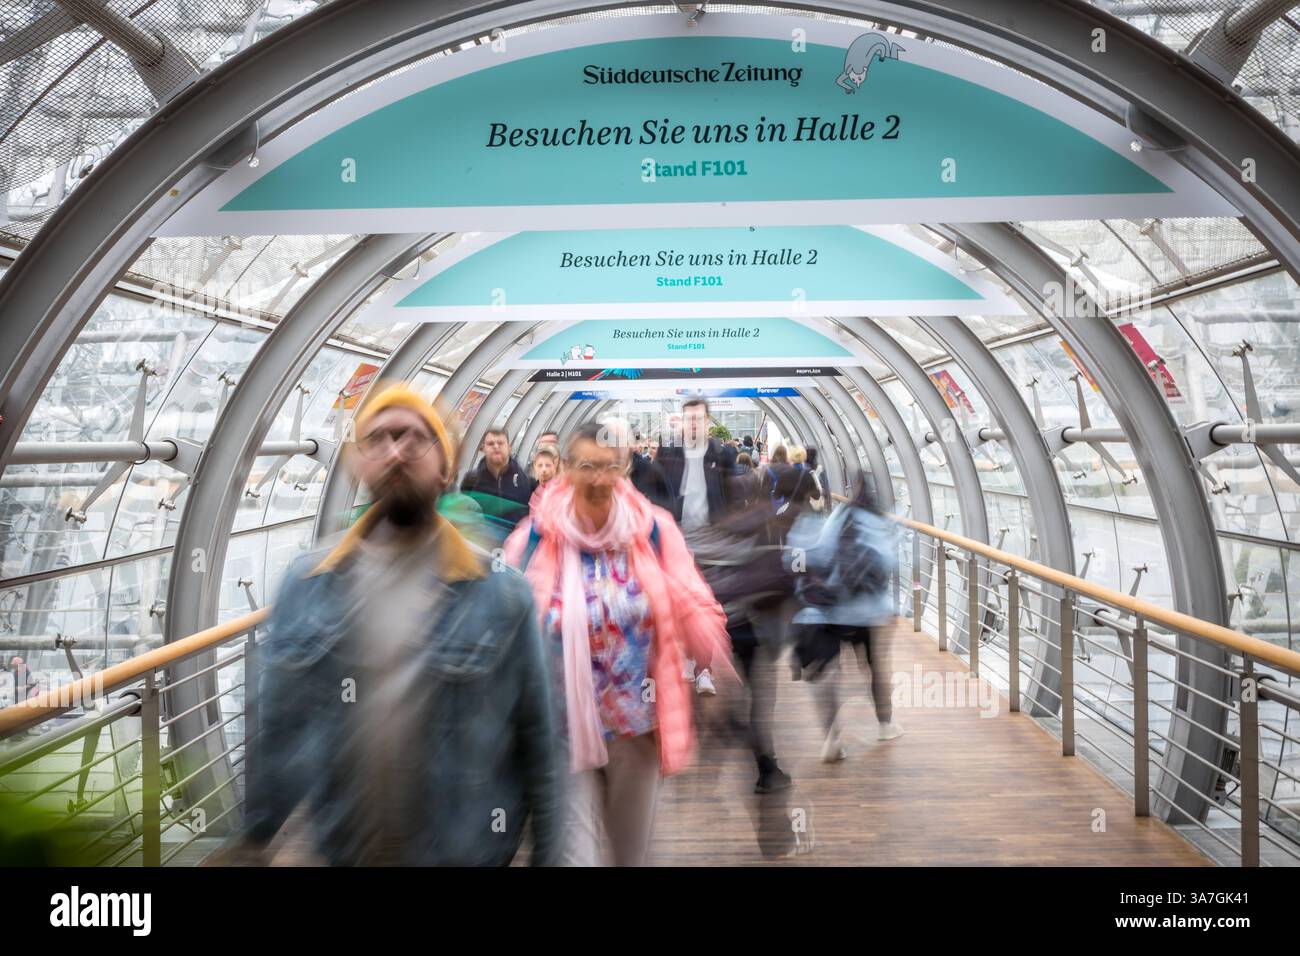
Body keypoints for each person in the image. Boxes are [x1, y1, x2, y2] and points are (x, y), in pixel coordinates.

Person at [224, 384, 562, 866]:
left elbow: (539, 739)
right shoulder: (306, 583)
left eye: (413, 437)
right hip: (347, 851)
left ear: (446, 467)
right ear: (359, 464)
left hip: (464, 852)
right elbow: (279, 724)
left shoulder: (501, 594)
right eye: (378, 439)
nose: (396, 451)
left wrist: (548, 856)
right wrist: (255, 836)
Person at [504, 421, 731, 866]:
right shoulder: (535, 537)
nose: (599, 479)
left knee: (632, 855)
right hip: (562, 726)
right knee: (575, 859)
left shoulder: (653, 531)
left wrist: (716, 661)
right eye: (588, 466)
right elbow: (504, 614)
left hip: (638, 725)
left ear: (625, 468)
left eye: (611, 467)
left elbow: (695, 599)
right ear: (566, 469)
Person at [788, 472, 904, 763]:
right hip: (871, 612)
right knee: (875, 667)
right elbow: (889, 562)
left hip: (833, 609)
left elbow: (819, 554)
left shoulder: (840, 514)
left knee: (828, 672)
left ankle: (833, 736)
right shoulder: (881, 521)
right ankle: (885, 725)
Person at [461, 427, 537, 533]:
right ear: (483, 448)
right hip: (480, 543)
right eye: (491, 444)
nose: (496, 446)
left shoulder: (528, 483)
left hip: (515, 545)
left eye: (500, 443)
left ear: (509, 448)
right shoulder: (471, 480)